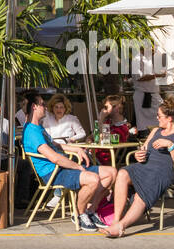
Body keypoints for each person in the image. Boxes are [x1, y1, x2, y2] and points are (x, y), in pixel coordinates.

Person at [22, 94, 115, 232]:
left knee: (112, 173)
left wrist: (76, 149)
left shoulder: (39, 128)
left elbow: (57, 145)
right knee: (93, 179)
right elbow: (54, 157)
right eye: (42, 104)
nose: (46, 107)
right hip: (53, 172)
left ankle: (90, 210)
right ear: (34, 107)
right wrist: (77, 167)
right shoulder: (31, 131)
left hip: (63, 167)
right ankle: (79, 213)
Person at [101, 101, 174, 238]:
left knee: (141, 194)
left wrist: (171, 145)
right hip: (145, 166)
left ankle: (121, 227)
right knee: (123, 173)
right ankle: (116, 220)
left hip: (163, 171)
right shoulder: (156, 131)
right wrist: (139, 155)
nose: (157, 118)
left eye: (159, 116)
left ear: (169, 118)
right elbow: (143, 149)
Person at [130, 43, 162, 130]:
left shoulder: (148, 60)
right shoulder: (137, 60)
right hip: (144, 96)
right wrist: (158, 75)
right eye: (152, 49)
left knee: (160, 118)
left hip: (153, 95)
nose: (153, 52)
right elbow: (140, 77)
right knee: (144, 125)